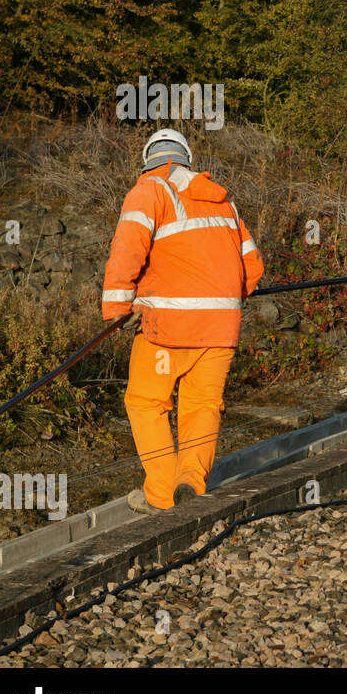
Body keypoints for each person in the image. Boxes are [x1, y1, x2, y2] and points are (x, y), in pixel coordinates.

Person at [102, 129, 264, 513]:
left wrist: (116, 310)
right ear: (188, 159)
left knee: (145, 402)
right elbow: (253, 268)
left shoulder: (150, 191)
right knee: (203, 405)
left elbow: (126, 251)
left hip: (167, 330)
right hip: (222, 329)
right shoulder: (225, 202)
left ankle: (160, 496)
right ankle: (190, 482)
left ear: (148, 161)